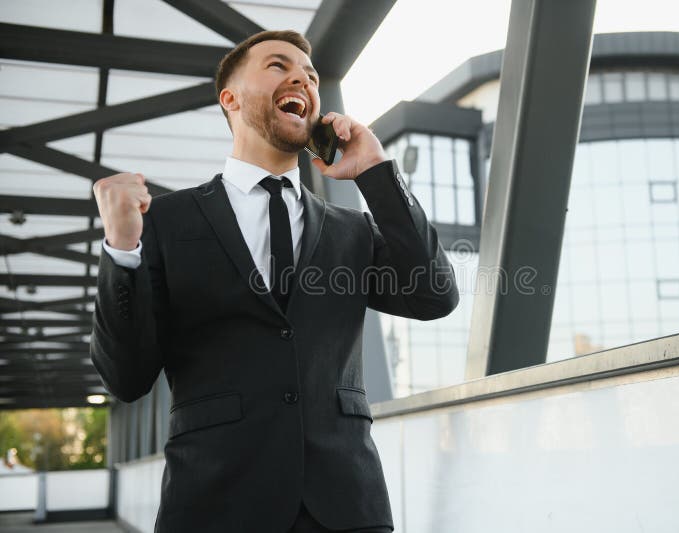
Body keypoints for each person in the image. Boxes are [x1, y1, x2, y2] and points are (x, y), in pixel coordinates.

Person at [90, 29, 459, 533]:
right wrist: (123, 250)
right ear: (231, 98)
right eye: (277, 66)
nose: (302, 80)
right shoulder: (164, 222)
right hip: (214, 505)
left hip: (346, 508)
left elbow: (435, 294)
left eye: (311, 75)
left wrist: (375, 172)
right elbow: (126, 379)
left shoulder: (351, 230)